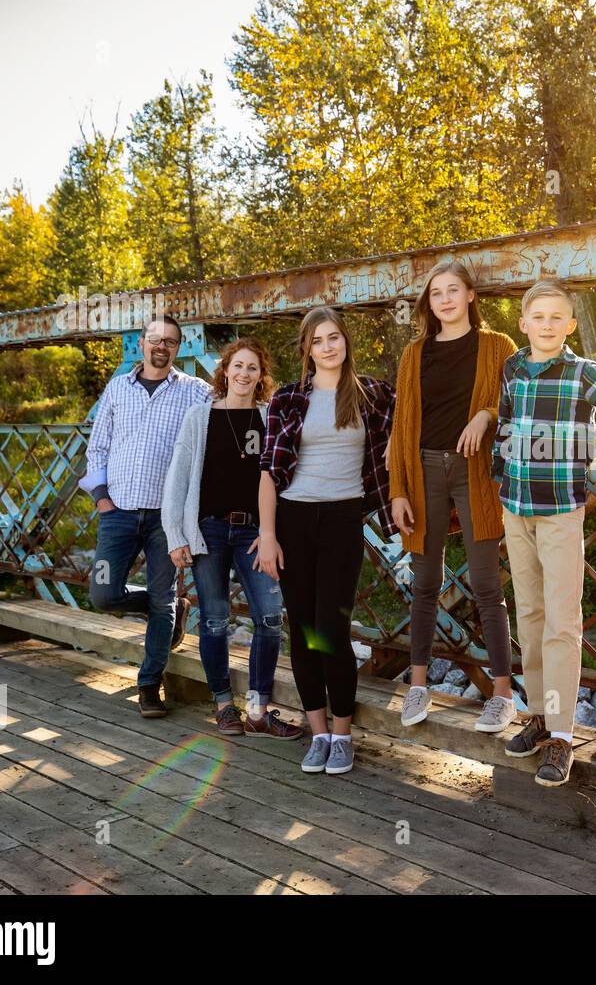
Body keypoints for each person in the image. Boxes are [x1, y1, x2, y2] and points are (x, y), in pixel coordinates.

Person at [493, 279, 596, 787]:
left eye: (556, 318)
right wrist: (501, 474)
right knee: (530, 616)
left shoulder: (584, 374)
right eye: (536, 317)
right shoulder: (513, 368)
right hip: (515, 509)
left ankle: (563, 736)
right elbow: (506, 424)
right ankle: (539, 717)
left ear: (569, 326)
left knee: (563, 621)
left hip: (562, 511)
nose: (546, 325)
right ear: (523, 323)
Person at [254, 307, 397, 776]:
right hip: (294, 519)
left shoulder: (371, 393)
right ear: (307, 349)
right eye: (318, 341)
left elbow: (415, 415)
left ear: (345, 343)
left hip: (342, 519)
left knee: (332, 630)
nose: (328, 346)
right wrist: (268, 534)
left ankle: (342, 734)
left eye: (335, 337)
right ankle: (316, 733)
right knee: (302, 630)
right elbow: (270, 474)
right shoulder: (289, 399)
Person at [387, 259, 519, 731]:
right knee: (424, 584)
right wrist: (398, 489)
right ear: (430, 303)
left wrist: (486, 414)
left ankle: (503, 695)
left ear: (469, 297)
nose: (444, 299)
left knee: (487, 586)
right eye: (435, 293)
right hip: (423, 471)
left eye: (452, 290)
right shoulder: (414, 354)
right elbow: (402, 426)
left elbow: (516, 401)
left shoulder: (498, 346)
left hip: (475, 473)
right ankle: (418, 686)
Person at [162, 336, 302, 741]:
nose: (244, 374)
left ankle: (258, 710)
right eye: (237, 366)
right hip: (207, 530)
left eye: (252, 368)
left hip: (256, 533)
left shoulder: (268, 416)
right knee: (215, 619)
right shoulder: (199, 417)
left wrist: (275, 532)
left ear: (261, 377)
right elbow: (179, 478)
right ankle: (224, 706)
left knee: (271, 617)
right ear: (225, 371)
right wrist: (176, 534)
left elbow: (282, 475)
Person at [82, 313, 211, 718]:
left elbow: (235, 406)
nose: (162, 346)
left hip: (165, 519)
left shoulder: (196, 392)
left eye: (170, 341)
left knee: (161, 599)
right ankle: (174, 608)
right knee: (102, 595)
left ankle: (148, 685)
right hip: (117, 511)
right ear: (142, 343)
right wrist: (102, 497)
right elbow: (97, 447)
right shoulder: (118, 388)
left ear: (179, 347)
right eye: (155, 339)